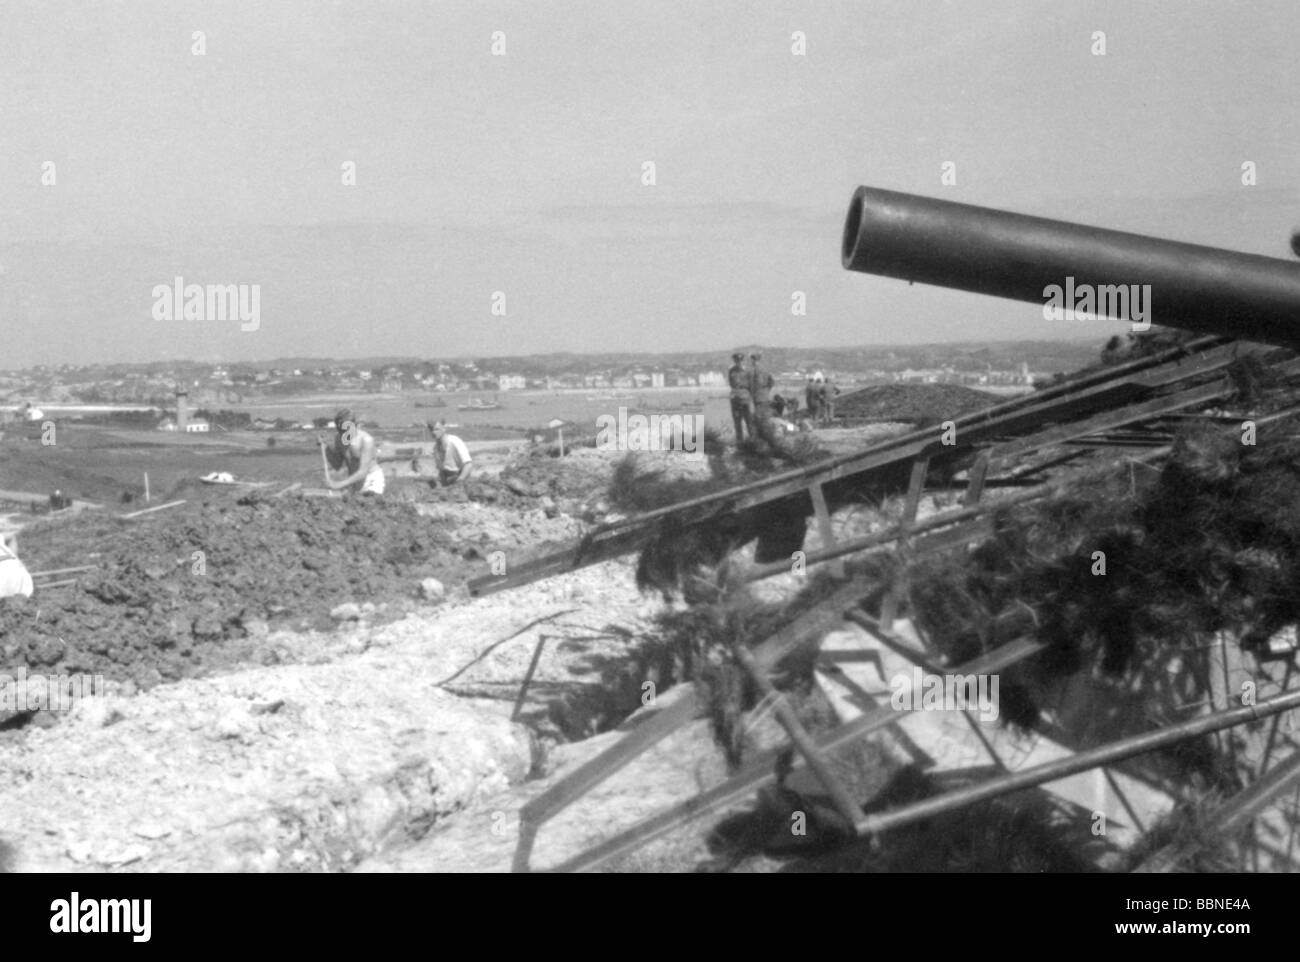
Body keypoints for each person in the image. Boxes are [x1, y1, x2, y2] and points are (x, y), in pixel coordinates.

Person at [319, 408, 384, 495]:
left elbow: (363, 472)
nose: (343, 432)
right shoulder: (339, 439)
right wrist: (325, 446)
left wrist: (338, 485)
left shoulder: (366, 440)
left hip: (371, 480)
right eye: (340, 429)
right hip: (354, 482)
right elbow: (336, 465)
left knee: (369, 503)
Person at [426, 419, 474, 486]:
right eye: (431, 430)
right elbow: (441, 471)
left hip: (461, 478)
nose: (433, 432)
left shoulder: (455, 441)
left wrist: (460, 480)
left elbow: (468, 464)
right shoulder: (435, 449)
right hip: (448, 480)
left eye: (436, 429)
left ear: (444, 429)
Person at [727, 352, 754, 442]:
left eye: (740, 360)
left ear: (742, 360)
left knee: (748, 420)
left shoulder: (747, 371)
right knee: (737, 421)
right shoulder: (731, 371)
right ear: (734, 361)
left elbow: (751, 384)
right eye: (736, 360)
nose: (738, 362)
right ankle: (740, 442)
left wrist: (749, 395)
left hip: (745, 397)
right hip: (735, 398)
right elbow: (731, 383)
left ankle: (752, 441)